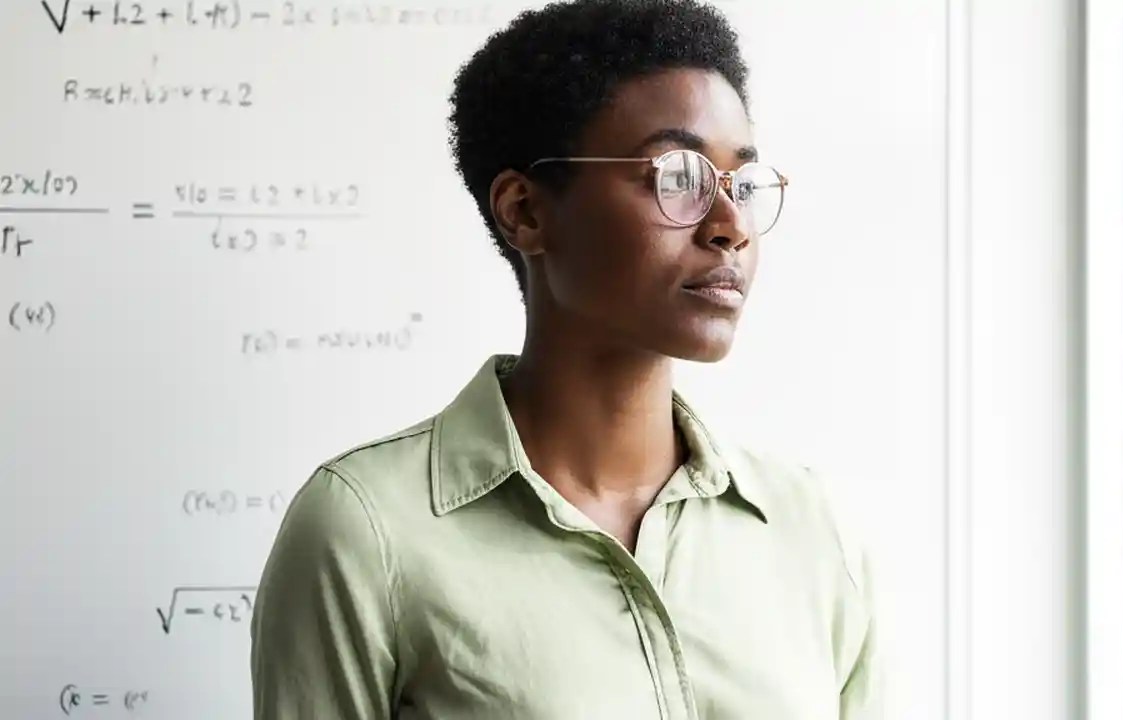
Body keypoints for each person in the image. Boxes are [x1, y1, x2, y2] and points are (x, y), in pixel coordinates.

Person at [249, 1, 879, 717]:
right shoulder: (368, 529)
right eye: (677, 177)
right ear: (525, 211)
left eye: (741, 181)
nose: (731, 226)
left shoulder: (808, 528)